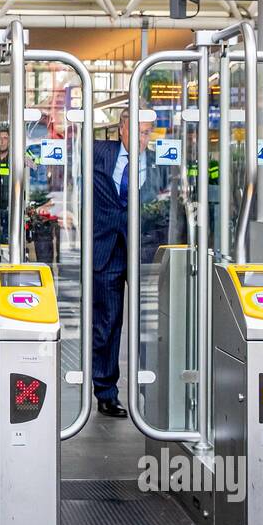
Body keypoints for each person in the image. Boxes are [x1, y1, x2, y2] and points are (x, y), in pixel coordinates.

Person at [92, 105, 170, 418]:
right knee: (106, 324)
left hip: (144, 251)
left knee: (147, 324)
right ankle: (106, 392)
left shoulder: (158, 164)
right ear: (122, 128)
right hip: (105, 249)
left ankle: (147, 388)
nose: (144, 138)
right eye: (139, 131)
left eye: (148, 132)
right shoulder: (98, 152)